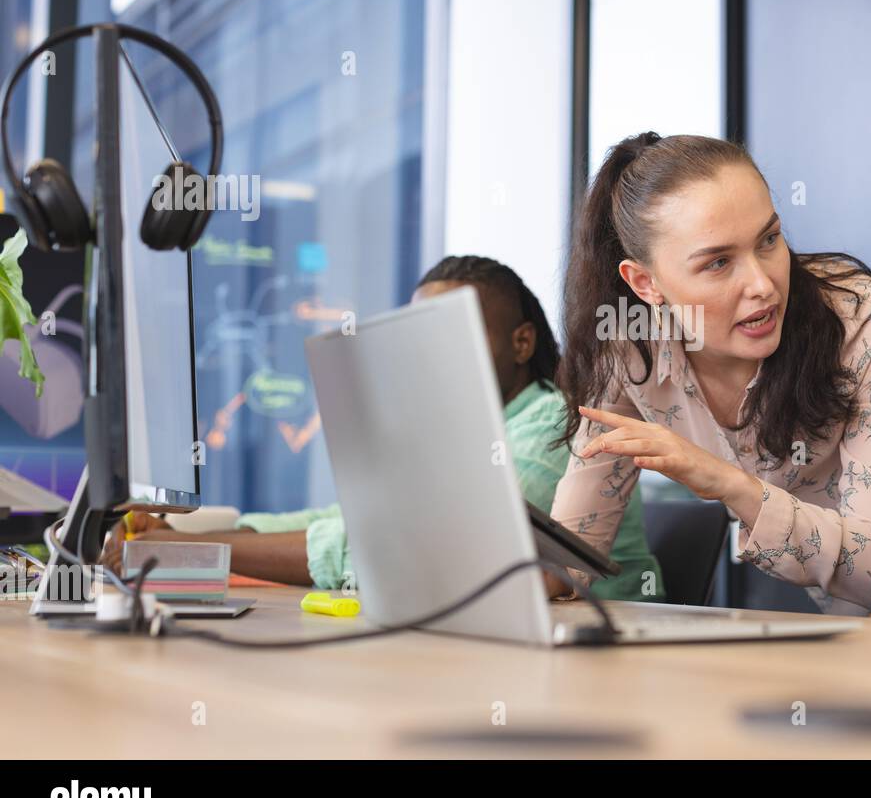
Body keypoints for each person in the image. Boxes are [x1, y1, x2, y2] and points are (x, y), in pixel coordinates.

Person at [549, 132, 871, 615]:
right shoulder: (630, 349)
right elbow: (570, 558)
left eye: (769, 240)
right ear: (645, 283)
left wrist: (727, 483)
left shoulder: (856, 315)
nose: (763, 285)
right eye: (718, 262)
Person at [102, 256, 664, 603]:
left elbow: (402, 549)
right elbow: (346, 522)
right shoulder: (454, 437)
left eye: (449, 334)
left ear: (521, 343)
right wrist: (188, 540)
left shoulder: (549, 425)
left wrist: (179, 549)